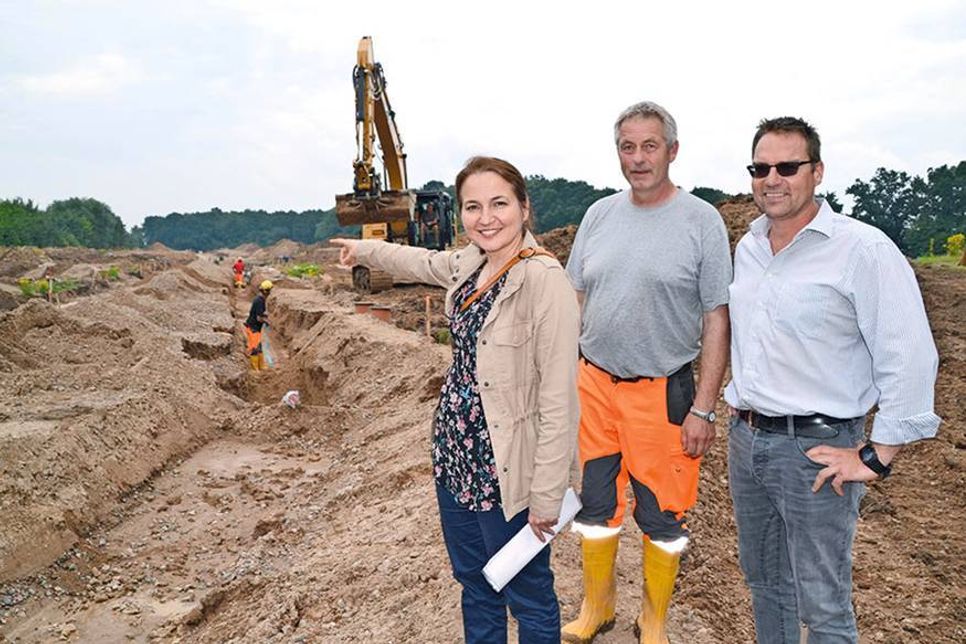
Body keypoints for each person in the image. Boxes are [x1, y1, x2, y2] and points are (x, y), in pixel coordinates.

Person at [330, 156, 580, 644]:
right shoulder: (472, 263)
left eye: (498, 204)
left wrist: (548, 492)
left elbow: (558, 396)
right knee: (475, 583)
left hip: (506, 469)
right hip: (454, 457)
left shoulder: (544, 280)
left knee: (527, 593)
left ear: (524, 209)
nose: (485, 218)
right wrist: (366, 250)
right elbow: (421, 262)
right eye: (472, 206)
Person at [725, 116, 941, 643]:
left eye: (787, 166)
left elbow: (909, 353)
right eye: (761, 167)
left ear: (817, 172)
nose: (772, 178)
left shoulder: (861, 250)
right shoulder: (748, 248)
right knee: (766, 586)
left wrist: (876, 456)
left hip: (817, 451)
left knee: (822, 603)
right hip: (747, 439)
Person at [562, 101, 732, 644]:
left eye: (649, 146)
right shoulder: (599, 215)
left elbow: (716, 318)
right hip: (595, 383)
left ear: (672, 151)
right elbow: (576, 298)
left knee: (663, 515)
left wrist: (704, 407)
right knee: (595, 504)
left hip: (663, 393)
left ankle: (652, 618)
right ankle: (599, 607)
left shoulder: (701, 221)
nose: (638, 159)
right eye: (627, 147)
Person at [244, 280, 272, 370]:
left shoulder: (260, 299)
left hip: (255, 327)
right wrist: (266, 321)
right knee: (255, 348)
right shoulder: (260, 301)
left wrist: (265, 315)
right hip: (253, 327)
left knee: (259, 346)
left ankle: (261, 366)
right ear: (266, 291)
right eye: (269, 290)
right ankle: (255, 368)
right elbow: (259, 318)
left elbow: (259, 313)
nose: (270, 293)